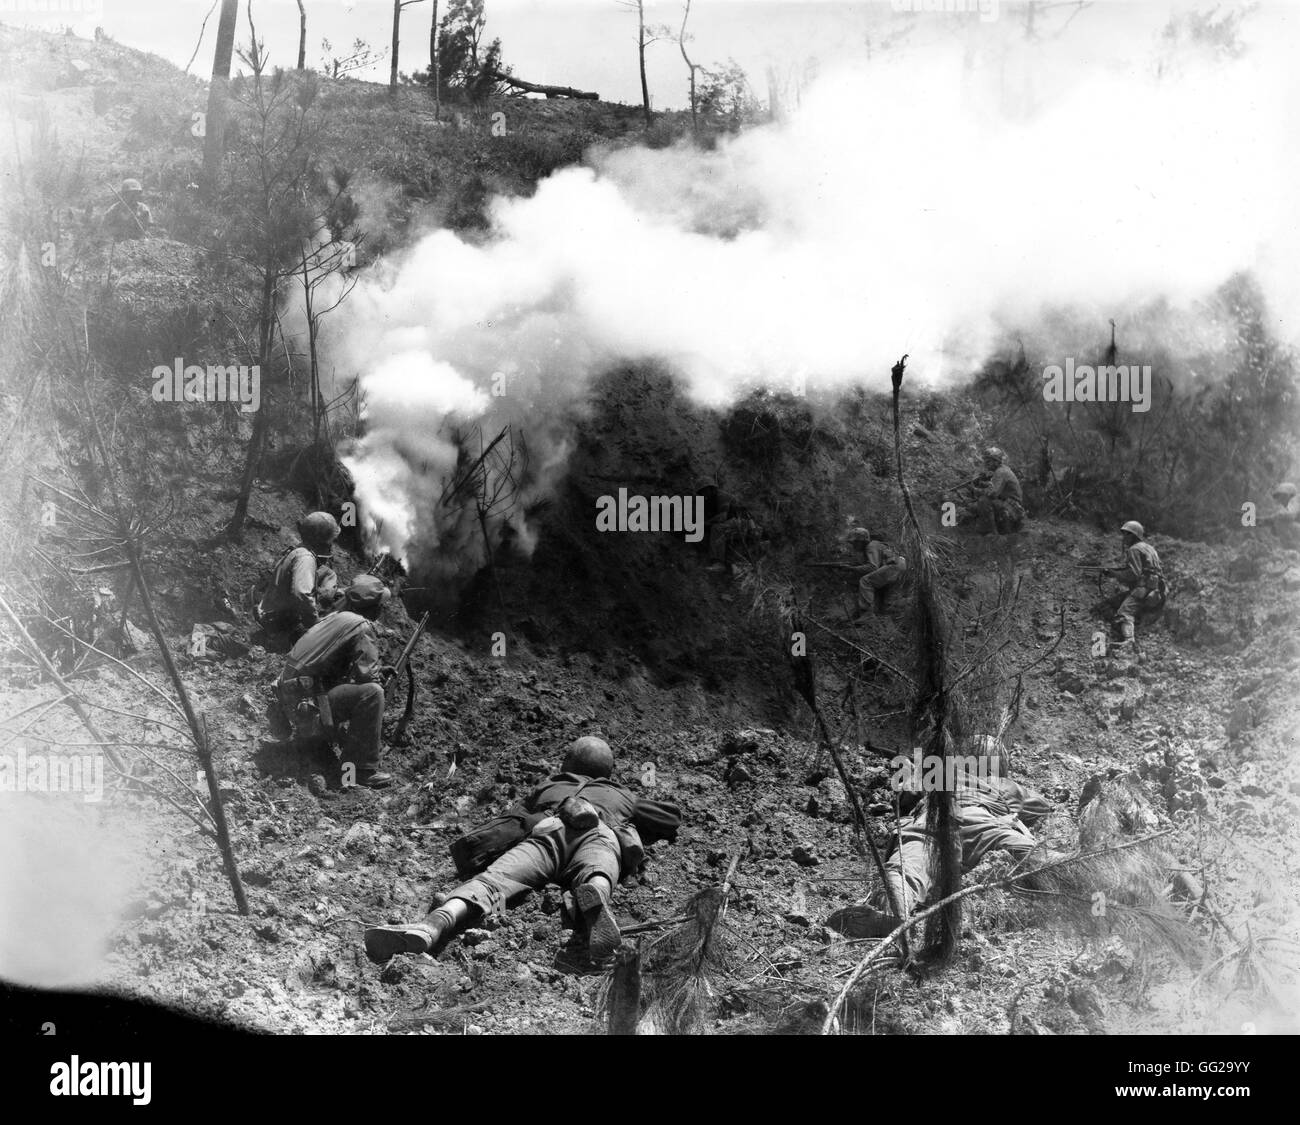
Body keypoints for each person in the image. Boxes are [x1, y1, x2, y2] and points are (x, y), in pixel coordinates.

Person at [364, 737, 669, 964]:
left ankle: (434, 925)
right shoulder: (621, 794)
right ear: (607, 770)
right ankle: (595, 897)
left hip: (548, 829)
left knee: (491, 882)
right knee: (599, 869)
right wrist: (634, 805)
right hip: (597, 832)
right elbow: (669, 818)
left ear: (569, 764)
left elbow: (515, 818)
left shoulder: (551, 784)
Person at [827, 751, 1054, 937]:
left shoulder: (941, 771)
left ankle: (893, 911)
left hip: (931, 819)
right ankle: (1077, 875)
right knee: (1031, 855)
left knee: (907, 866)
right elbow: (1043, 806)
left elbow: (907, 794)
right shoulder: (1002, 785)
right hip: (981, 820)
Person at [274, 575, 394, 788]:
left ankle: (330, 746)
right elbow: (368, 678)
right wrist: (379, 678)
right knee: (373, 693)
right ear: (373, 608)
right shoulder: (362, 626)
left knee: (364, 690)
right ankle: (359, 771)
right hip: (305, 706)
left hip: (291, 696)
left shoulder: (338, 617)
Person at [256, 512, 343, 647]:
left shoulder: (300, 550)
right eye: (330, 540)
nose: (331, 544)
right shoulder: (306, 558)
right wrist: (314, 624)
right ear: (321, 540)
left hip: (272, 615)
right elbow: (302, 593)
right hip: (277, 624)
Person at [1102, 520, 1165, 649]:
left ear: (1134, 536)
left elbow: (1134, 574)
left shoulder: (1134, 549)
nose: (1124, 537)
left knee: (1124, 611)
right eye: (1124, 534)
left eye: (1127, 534)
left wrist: (1114, 574)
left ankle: (1129, 640)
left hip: (1144, 588)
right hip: (1156, 588)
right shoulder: (1149, 548)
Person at [843, 526, 907, 617]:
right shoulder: (876, 545)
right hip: (899, 565)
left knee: (865, 581)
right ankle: (882, 614)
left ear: (862, 541)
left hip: (893, 566)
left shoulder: (870, 546)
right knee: (878, 586)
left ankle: (866, 615)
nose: (854, 545)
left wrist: (853, 569)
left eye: (855, 542)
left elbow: (872, 567)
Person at [698, 484, 759, 575]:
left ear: (711, 489)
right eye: (701, 492)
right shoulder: (709, 501)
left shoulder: (722, 496)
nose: (703, 494)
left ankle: (718, 563)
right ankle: (731, 566)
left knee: (717, 529)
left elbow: (723, 517)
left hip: (742, 523)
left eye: (704, 491)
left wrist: (706, 523)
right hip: (733, 525)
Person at [962, 446, 1024, 534]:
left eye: (989, 461)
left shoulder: (1000, 472)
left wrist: (975, 490)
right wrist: (982, 483)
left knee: (983, 501)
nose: (986, 463)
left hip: (1012, 509)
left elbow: (993, 493)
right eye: (986, 461)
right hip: (1011, 508)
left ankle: (991, 533)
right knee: (974, 506)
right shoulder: (1002, 470)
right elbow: (996, 488)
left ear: (996, 461)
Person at [1261, 482, 1300, 548]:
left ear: (1288, 495)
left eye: (1280, 495)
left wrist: (1275, 517)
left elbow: (1290, 516)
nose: (1278, 499)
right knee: (1275, 526)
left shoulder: (1296, 500)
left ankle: (1292, 550)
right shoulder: (1288, 506)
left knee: (1280, 522)